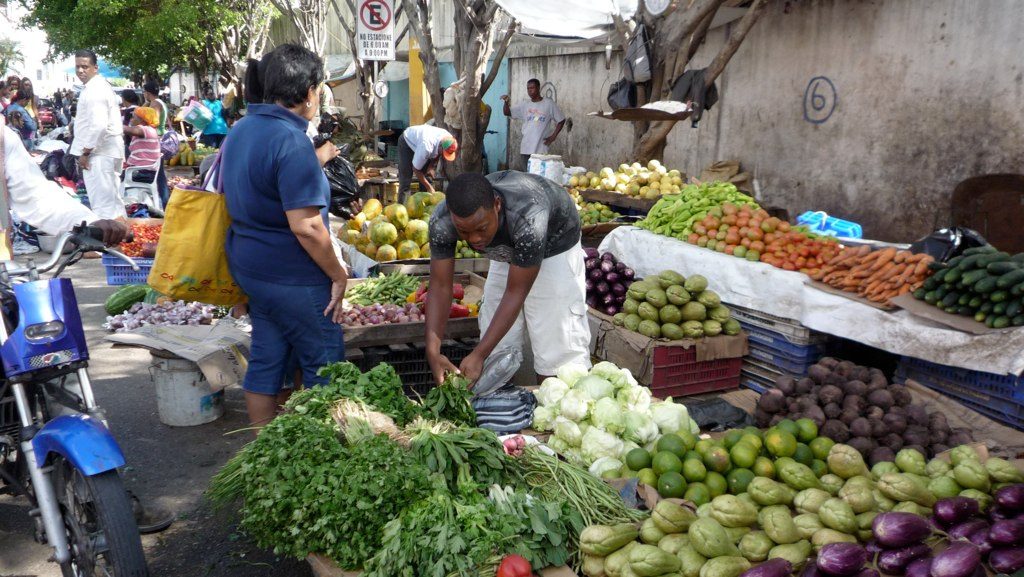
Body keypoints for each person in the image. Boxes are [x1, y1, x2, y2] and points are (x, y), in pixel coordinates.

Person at [221, 44, 346, 428]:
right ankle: (321, 452)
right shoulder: (291, 140)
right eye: (319, 90)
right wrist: (338, 274)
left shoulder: (241, 129)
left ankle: (262, 447)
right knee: (325, 365)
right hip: (292, 275)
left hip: (251, 268)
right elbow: (306, 226)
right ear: (309, 92)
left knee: (267, 358)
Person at [425, 171, 590, 386]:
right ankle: (502, 401)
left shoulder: (529, 216)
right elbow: (440, 286)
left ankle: (555, 399)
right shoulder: (442, 221)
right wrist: (433, 350)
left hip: (555, 243)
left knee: (556, 350)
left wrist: (479, 354)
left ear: (497, 205)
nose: (474, 239)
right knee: (497, 347)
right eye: (463, 232)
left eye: (481, 228)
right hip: (510, 244)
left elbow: (515, 292)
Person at [70, 49, 126, 221]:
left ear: (95, 68)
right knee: (113, 203)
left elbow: (99, 126)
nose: (80, 71)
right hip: (106, 152)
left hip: (100, 154)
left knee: (103, 207)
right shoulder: (96, 87)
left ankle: (110, 238)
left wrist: (86, 153)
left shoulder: (95, 90)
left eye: (85, 66)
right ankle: (123, 236)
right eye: (78, 67)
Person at [501, 78, 566, 170]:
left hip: (541, 150)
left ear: (538, 88)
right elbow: (507, 112)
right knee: (527, 175)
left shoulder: (549, 104)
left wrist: (553, 136)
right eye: (528, 88)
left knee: (538, 175)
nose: (530, 91)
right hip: (526, 148)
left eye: (532, 88)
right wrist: (506, 102)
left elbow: (561, 120)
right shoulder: (525, 104)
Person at [397, 124, 458, 197]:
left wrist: (431, 166)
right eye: (444, 153)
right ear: (441, 147)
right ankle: (403, 203)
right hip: (407, 141)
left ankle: (426, 200)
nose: (444, 156)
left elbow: (439, 153)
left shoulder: (449, 139)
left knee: (427, 176)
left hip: (422, 142)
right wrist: (429, 187)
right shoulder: (427, 147)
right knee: (406, 178)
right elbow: (416, 169)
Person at [142, 81, 171, 206]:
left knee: (158, 175)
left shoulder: (155, 104)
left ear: (147, 93)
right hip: (158, 139)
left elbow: (154, 121)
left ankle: (164, 203)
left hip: (156, 140)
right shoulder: (159, 102)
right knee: (159, 174)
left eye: (144, 92)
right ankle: (164, 202)